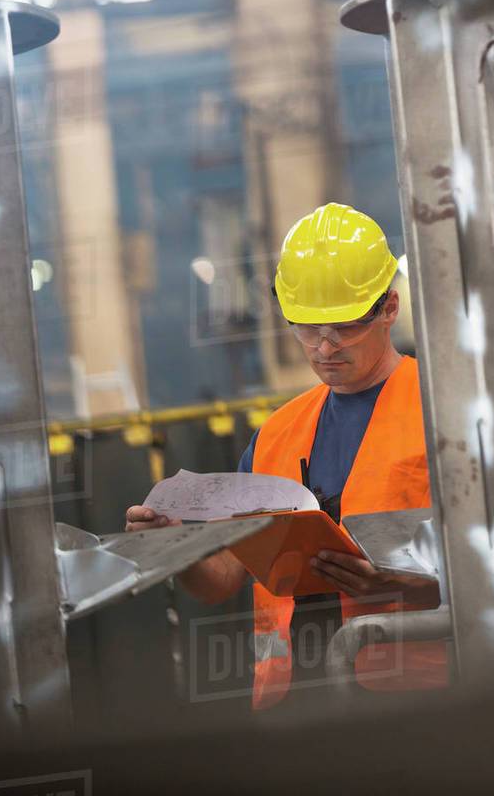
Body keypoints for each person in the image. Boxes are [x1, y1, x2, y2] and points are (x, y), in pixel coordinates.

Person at [125, 203, 447, 710]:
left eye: (343, 326)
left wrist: (395, 581)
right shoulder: (277, 434)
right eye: (305, 326)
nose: (323, 347)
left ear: (389, 307)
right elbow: (222, 579)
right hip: (294, 713)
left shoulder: (443, 413)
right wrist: (175, 549)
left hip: (416, 708)